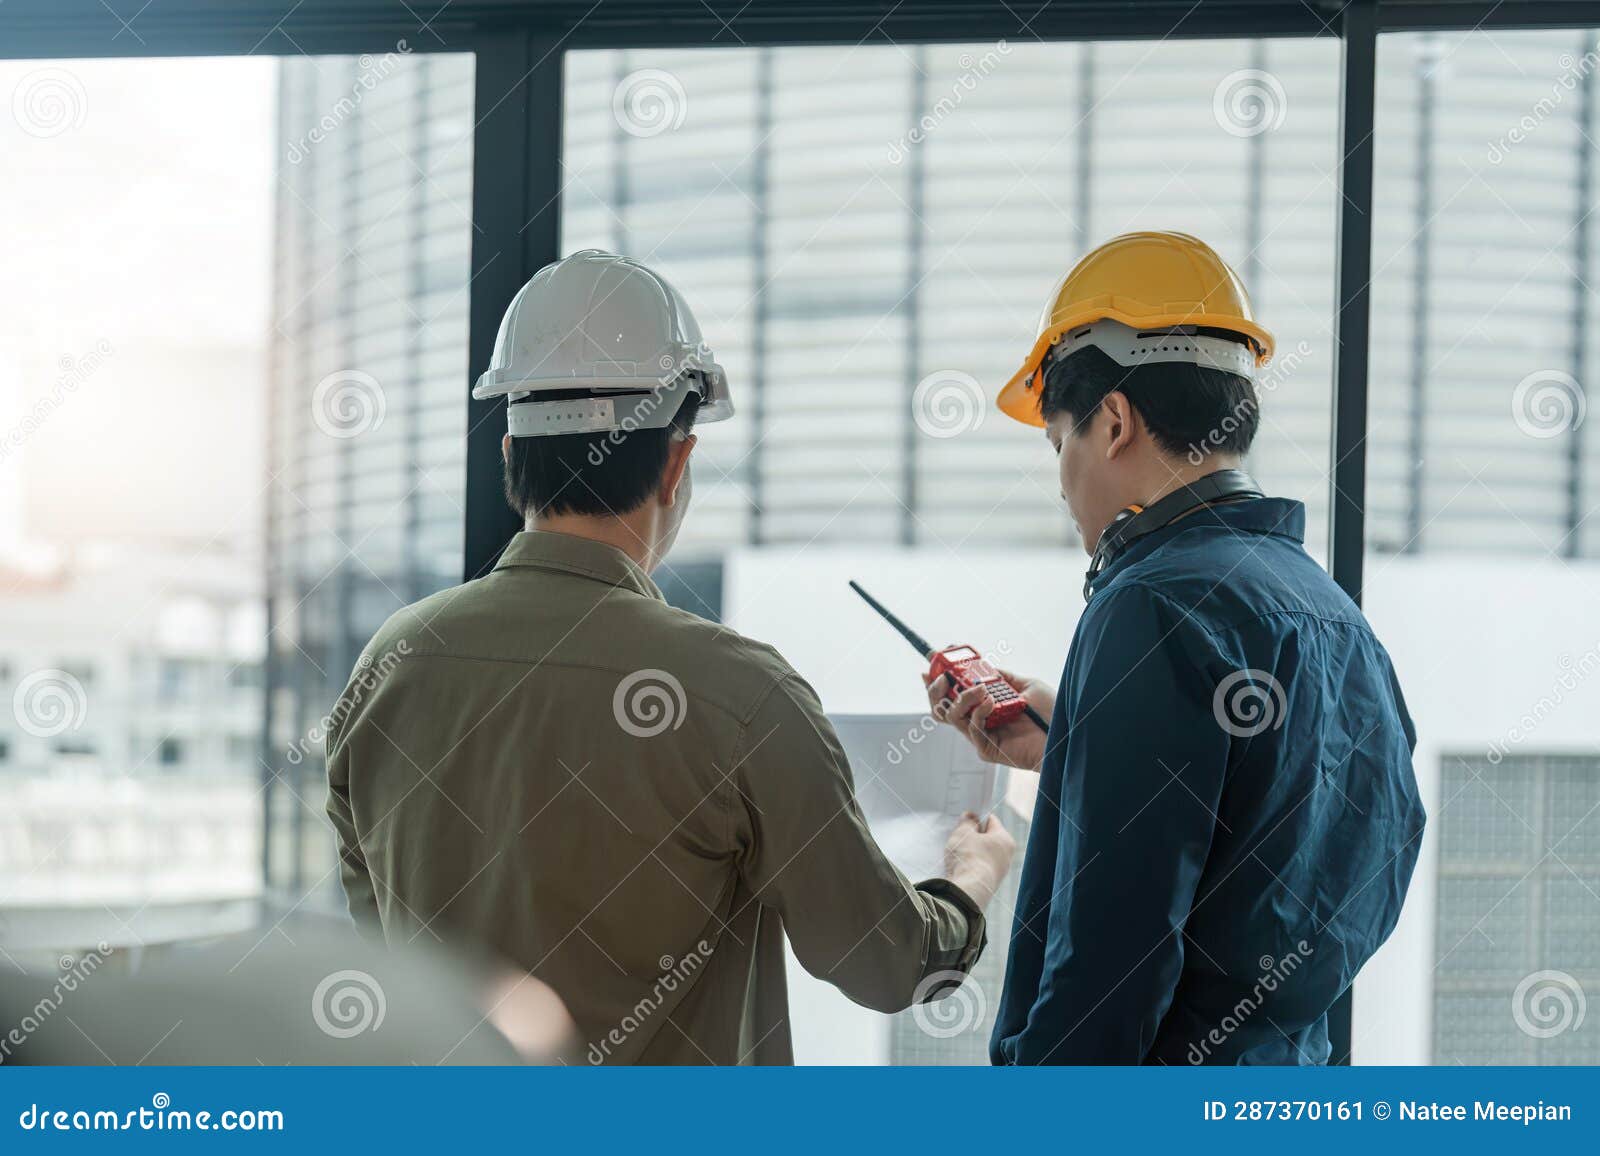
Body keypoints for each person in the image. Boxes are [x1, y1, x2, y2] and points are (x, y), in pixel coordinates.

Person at [325, 250, 1014, 1065]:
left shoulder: (389, 665)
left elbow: (381, 935)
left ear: (511, 455)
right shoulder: (741, 696)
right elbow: (890, 963)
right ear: (676, 464)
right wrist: (970, 879)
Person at [927, 231, 1425, 1065]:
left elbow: (1106, 971)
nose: (1062, 482)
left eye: (1060, 444)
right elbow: (1342, 844)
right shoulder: (1333, 613)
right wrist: (1076, 745)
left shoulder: (1149, 603)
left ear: (1115, 422)